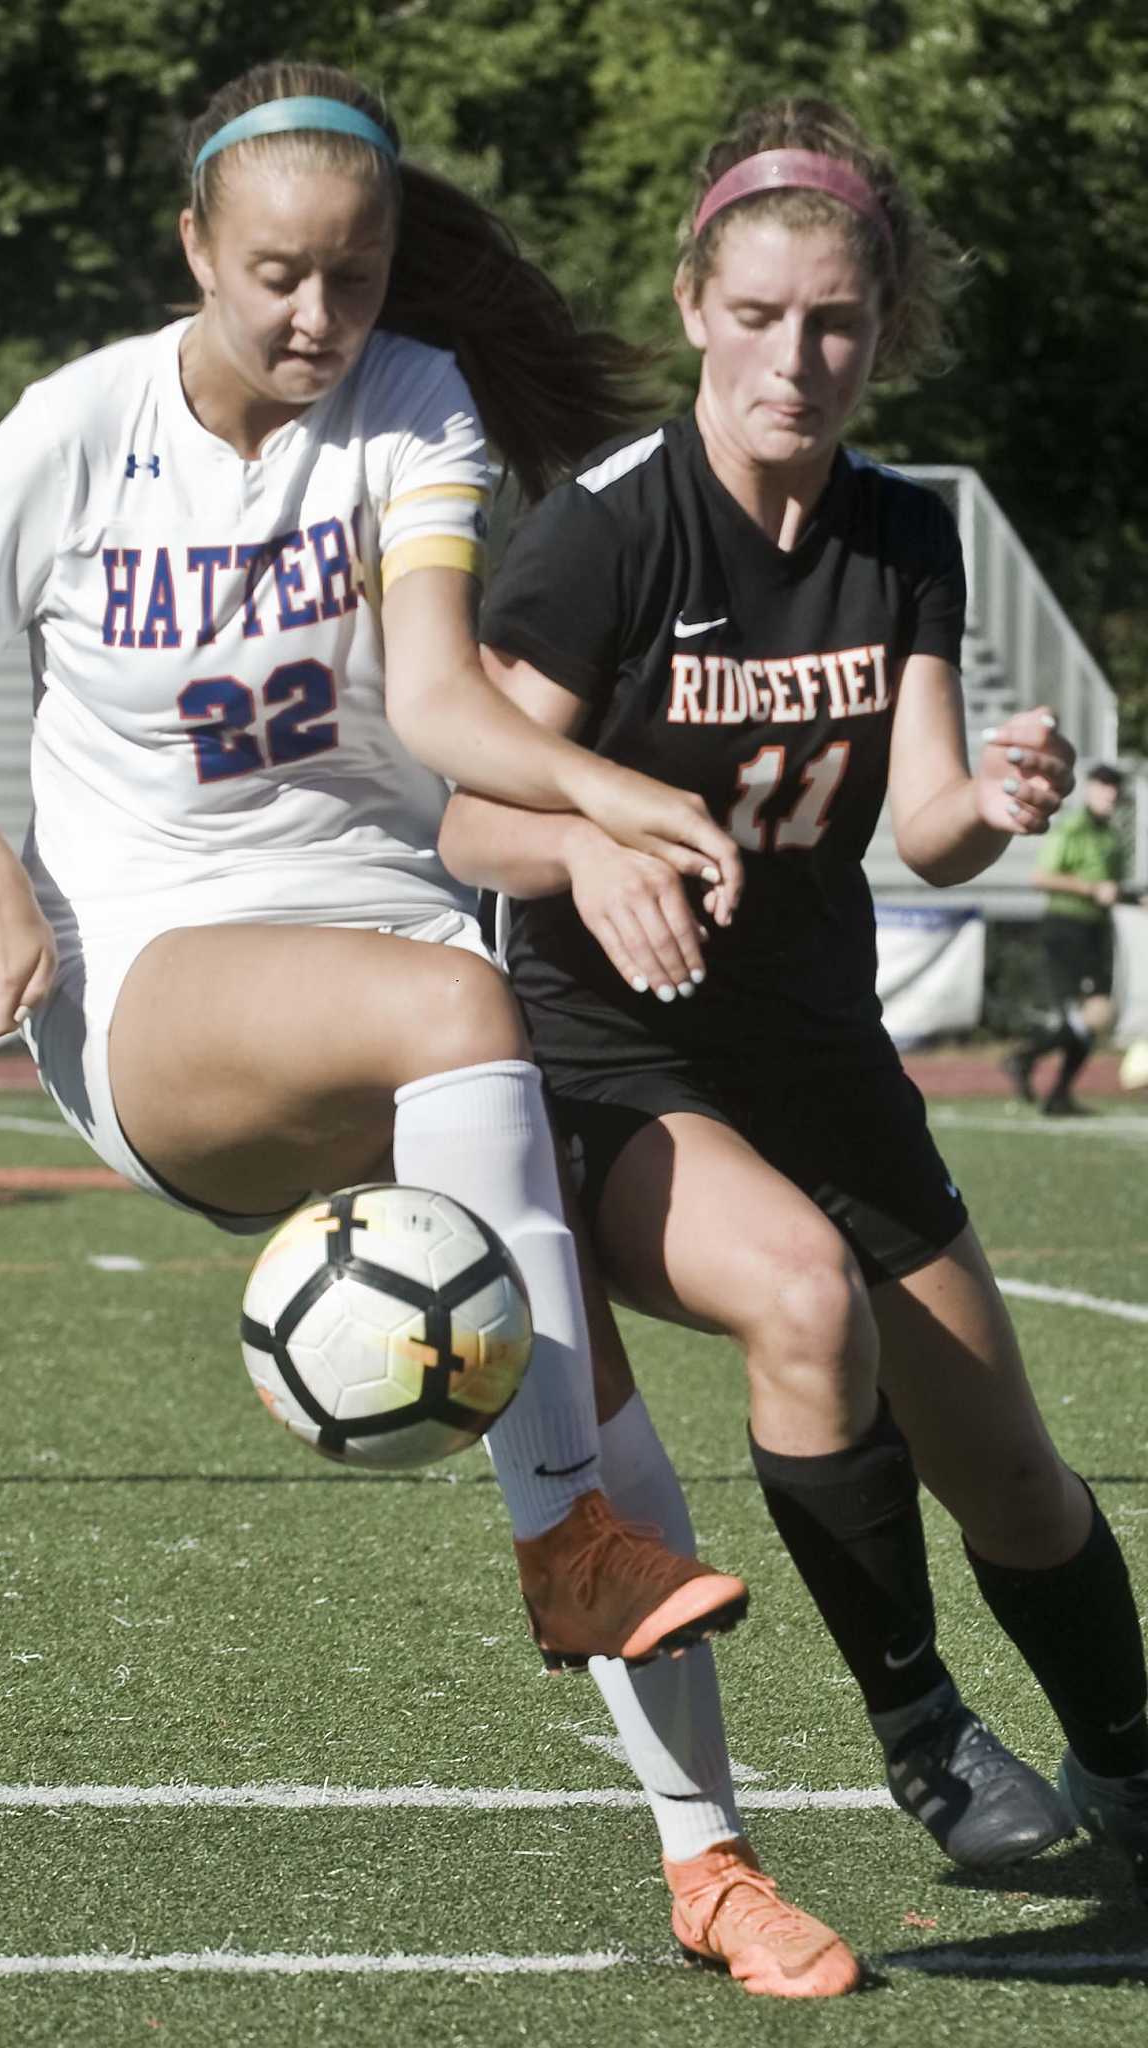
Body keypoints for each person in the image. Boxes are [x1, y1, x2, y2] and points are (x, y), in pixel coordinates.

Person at [0, 62, 859, 1997]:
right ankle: (564, 1535)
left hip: (417, 1005)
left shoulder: (415, 404)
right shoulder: (73, 429)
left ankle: (714, 1858)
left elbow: (436, 700)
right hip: (169, 987)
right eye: (277, 280)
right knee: (462, 1019)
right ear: (193, 254)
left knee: (651, 1329)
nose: (320, 319)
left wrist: (605, 796)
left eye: (357, 275)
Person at [440, 97, 1148, 1905]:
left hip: (825, 1055)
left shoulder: (906, 530)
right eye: (759, 315)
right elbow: (468, 807)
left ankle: (1135, 1773)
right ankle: (925, 1737)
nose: (796, 356)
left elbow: (917, 817)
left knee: (1013, 1467)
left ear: (880, 323)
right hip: (617, 1061)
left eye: (834, 320)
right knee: (805, 1300)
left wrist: (991, 801)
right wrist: (589, 845)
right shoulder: (603, 534)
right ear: (695, 305)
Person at [1003, 761, 1141, 1114]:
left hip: (1096, 930)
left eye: (1114, 787)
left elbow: (1110, 890)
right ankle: (1026, 1058)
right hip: (1066, 928)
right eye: (1103, 786)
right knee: (1089, 1016)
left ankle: (1055, 1090)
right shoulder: (1073, 829)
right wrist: (1091, 888)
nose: (1110, 794)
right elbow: (1041, 877)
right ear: (1091, 789)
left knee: (1096, 1017)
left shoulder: (1112, 835)